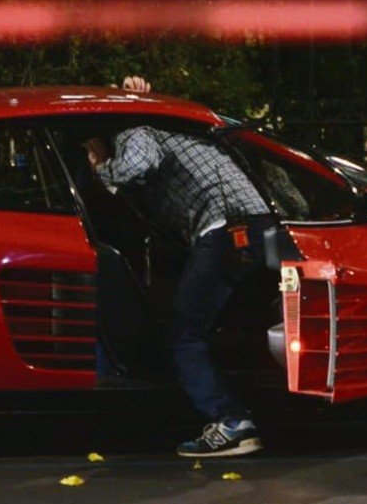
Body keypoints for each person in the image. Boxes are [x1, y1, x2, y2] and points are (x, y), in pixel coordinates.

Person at [86, 76, 274, 457]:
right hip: (250, 225)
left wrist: (99, 162)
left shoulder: (136, 127)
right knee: (223, 320)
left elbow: (135, 164)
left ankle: (232, 421)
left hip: (225, 229)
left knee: (182, 334)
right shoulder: (169, 126)